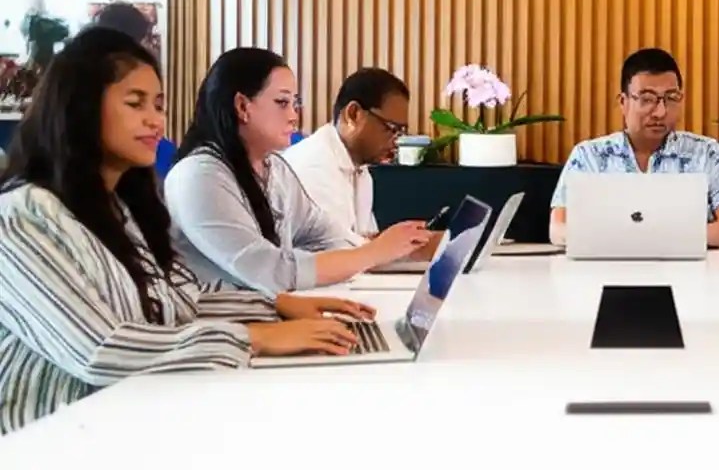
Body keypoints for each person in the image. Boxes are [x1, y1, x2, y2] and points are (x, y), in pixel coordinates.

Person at [0, 29, 370, 435]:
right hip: (46, 435)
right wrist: (255, 337)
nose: (155, 120)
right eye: (135, 103)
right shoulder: (22, 216)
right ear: (80, 108)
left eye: (158, 104)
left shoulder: (121, 207)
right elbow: (101, 350)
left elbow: (181, 300)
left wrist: (274, 307)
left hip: (128, 417)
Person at [165, 48, 432, 294]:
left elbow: (328, 235)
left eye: (295, 103)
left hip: (266, 316)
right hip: (218, 334)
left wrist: (391, 246)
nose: (294, 116)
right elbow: (270, 271)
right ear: (242, 106)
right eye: (282, 103)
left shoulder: (275, 170)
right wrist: (375, 252)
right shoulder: (198, 177)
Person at [549, 48, 719, 248]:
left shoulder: (707, 153)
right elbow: (558, 229)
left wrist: (646, 237)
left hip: (690, 273)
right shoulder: (589, 156)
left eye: (671, 98)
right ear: (623, 102)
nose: (660, 112)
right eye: (647, 99)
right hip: (606, 271)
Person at [283, 68, 432, 248]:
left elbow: (363, 240)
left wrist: (410, 237)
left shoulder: (359, 168)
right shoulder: (313, 167)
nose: (396, 141)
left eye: (401, 132)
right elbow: (338, 255)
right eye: (391, 128)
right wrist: (428, 245)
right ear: (353, 114)